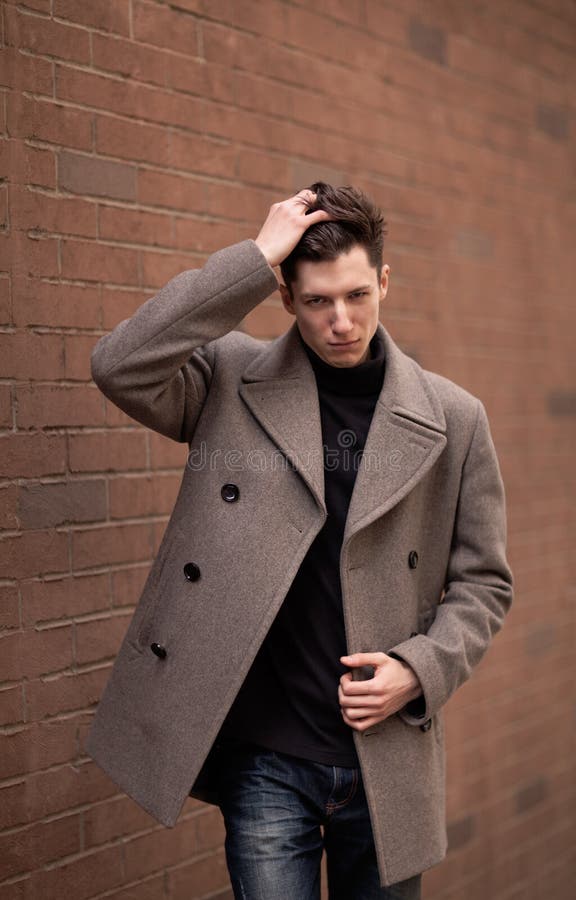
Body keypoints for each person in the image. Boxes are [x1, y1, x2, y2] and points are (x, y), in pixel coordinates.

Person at [86, 183, 513, 899]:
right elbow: (119, 364)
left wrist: (418, 671)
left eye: (357, 295)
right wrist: (253, 259)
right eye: (317, 301)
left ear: (384, 281)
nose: (341, 321)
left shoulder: (454, 418)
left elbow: (485, 585)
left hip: (385, 754)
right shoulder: (230, 379)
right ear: (285, 296)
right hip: (267, 759)